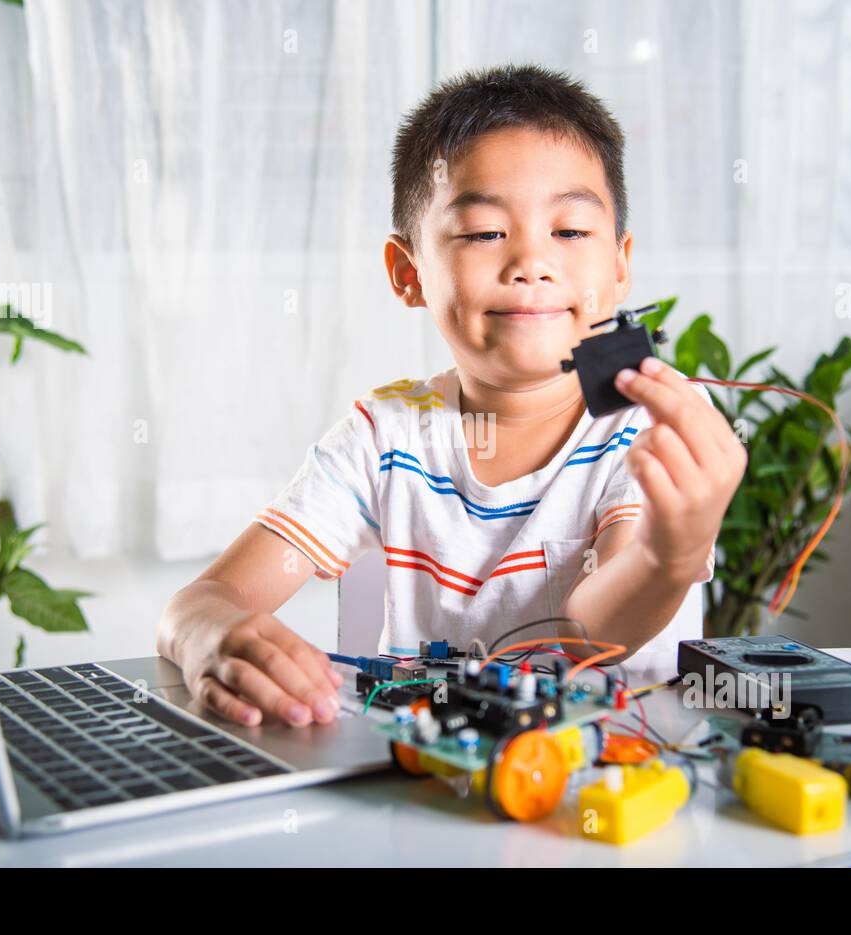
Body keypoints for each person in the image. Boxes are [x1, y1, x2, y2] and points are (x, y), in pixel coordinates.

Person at [156, 63, 746, 728]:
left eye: (571, 231)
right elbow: (206, 598)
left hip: (613, 792)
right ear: (408, 273)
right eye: (485, 232)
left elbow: (592, 629)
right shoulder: (386, 437)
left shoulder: (642, 430)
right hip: (428, 788)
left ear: (619, 266)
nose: (531, 262)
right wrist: (203, 630)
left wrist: (669, 556)